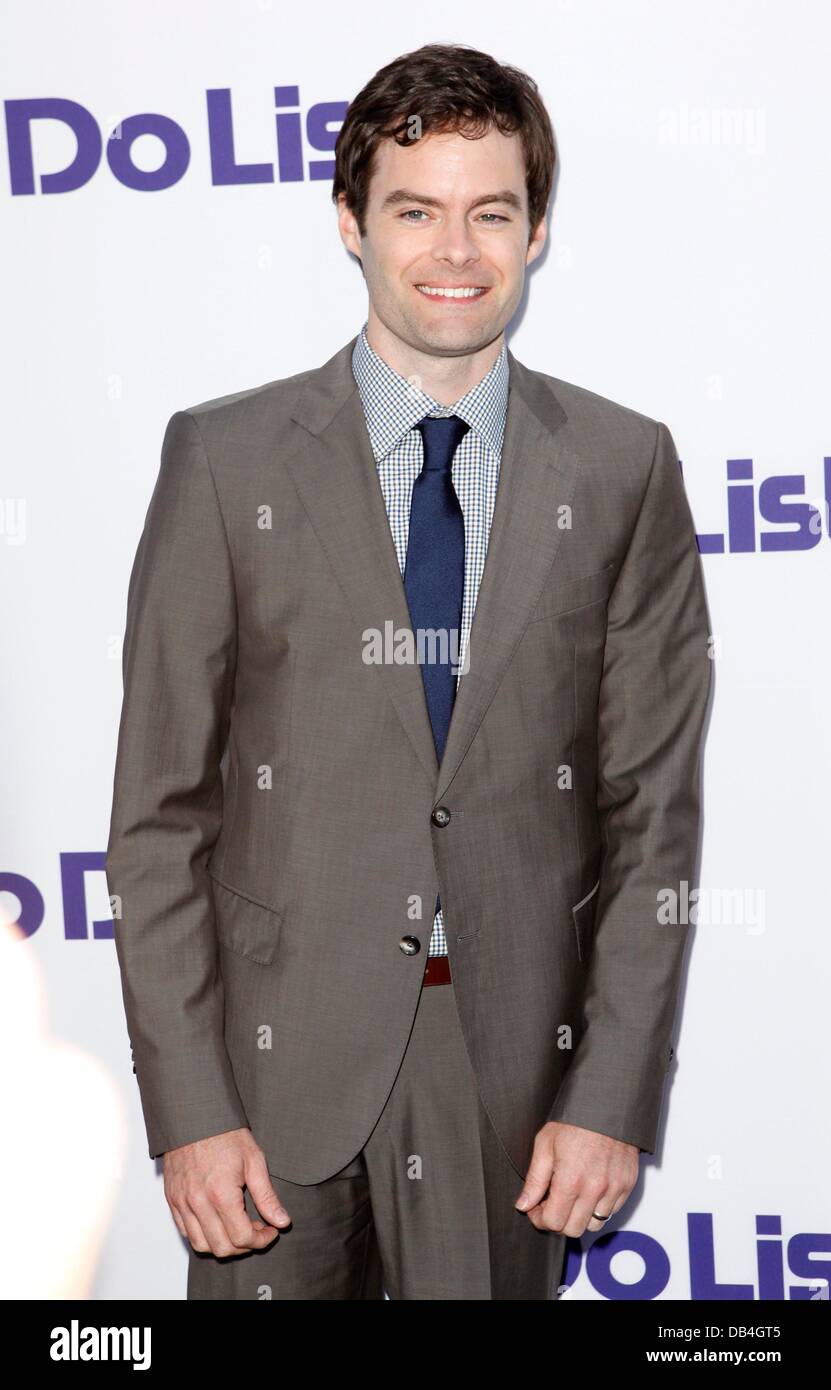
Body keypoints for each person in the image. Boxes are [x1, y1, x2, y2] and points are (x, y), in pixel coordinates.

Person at [106, 41, 712, 1301]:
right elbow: (159, 816)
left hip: (508, 1079)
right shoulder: (226, 461)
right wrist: (188, 1109)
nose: (455, 250)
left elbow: (653, 820)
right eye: (415, 210)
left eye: (491, 211)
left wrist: (609, 1093)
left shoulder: (620, 468)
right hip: (271, 1076)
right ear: (350, 222)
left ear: (537, 230)